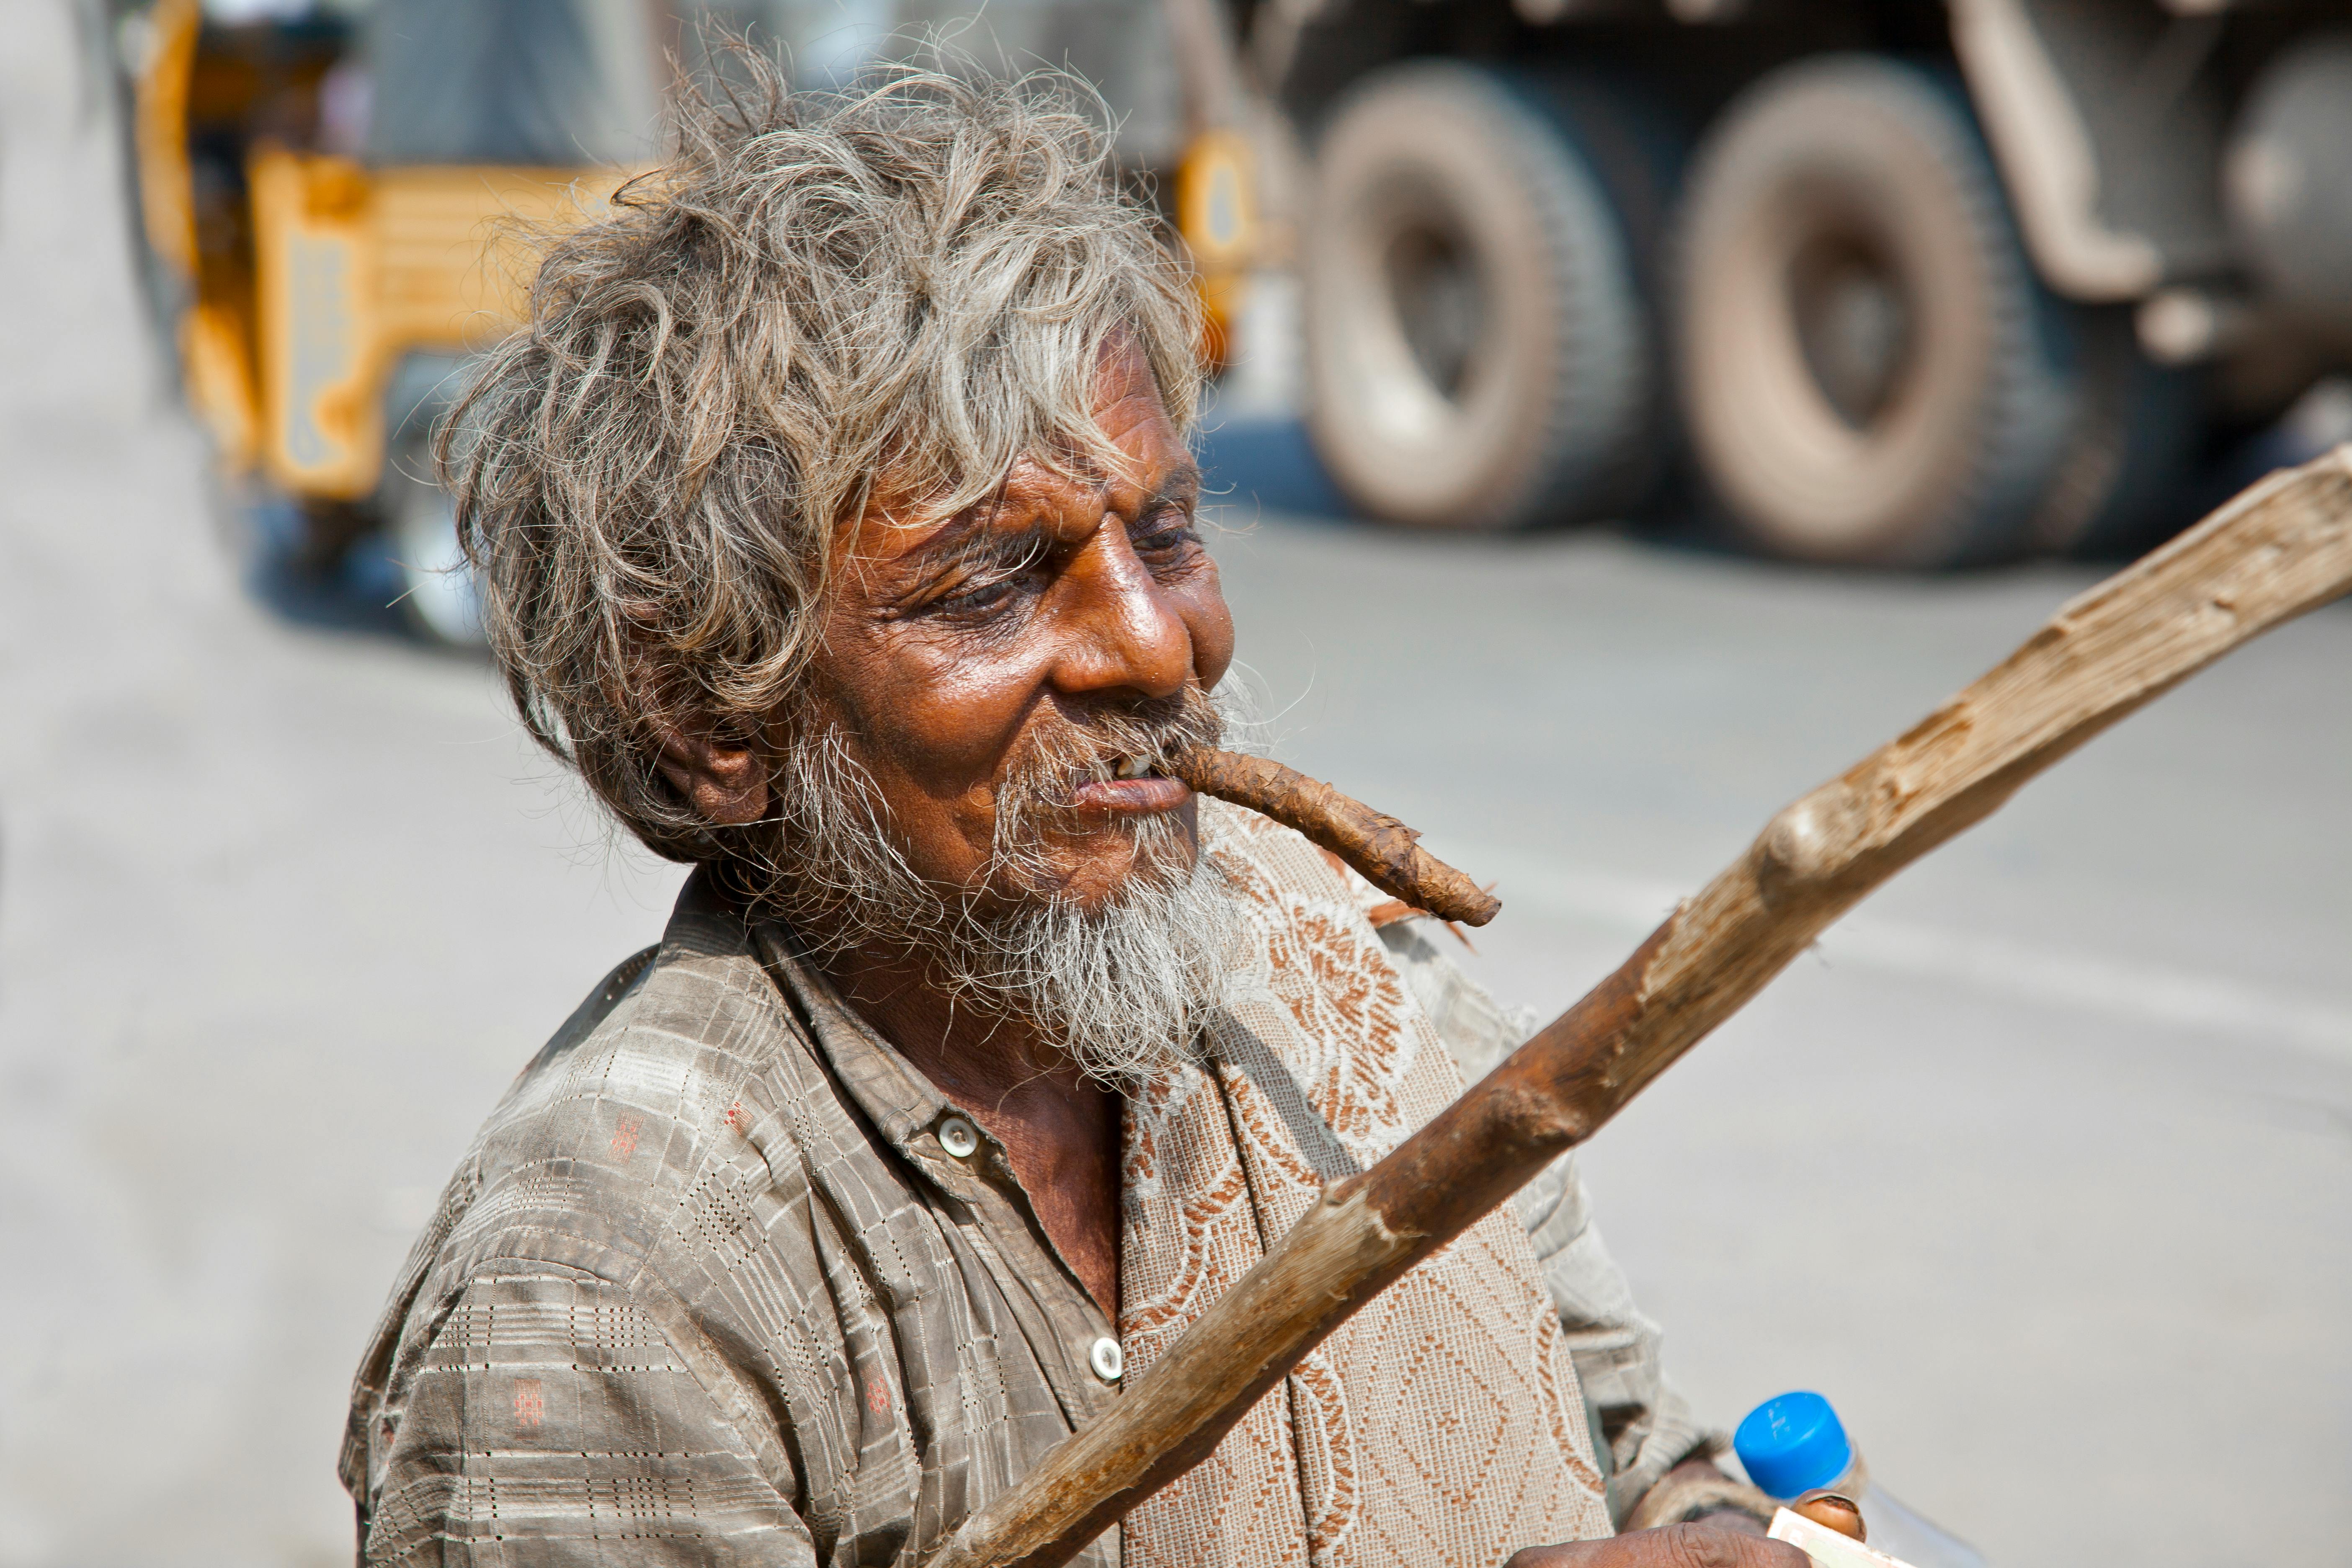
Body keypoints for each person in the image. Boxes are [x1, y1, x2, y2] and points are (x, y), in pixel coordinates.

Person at [339, 54, 1809, 1568]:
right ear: (713, 724)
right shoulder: (617, 1275)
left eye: (1165, 534)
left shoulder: (1363, 991)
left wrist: (1716, 1534)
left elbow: (1645, 1454)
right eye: (992, 583)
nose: (1159, 646)